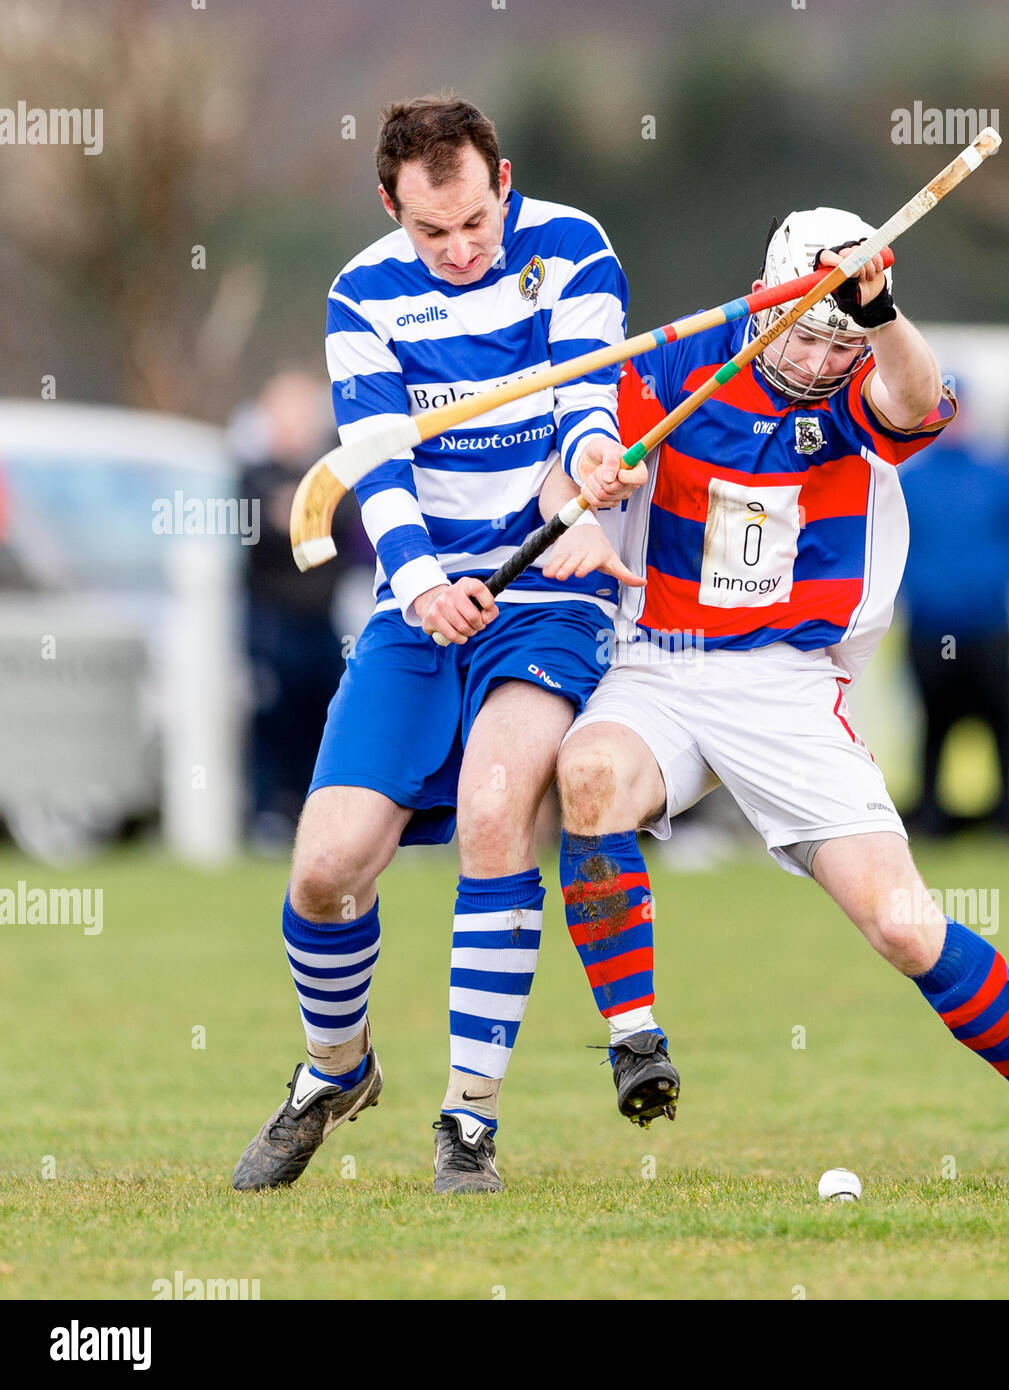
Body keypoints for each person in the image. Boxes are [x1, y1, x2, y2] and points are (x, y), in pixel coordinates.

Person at [555, 209, 1009, 1180]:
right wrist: (588, 475)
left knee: (903, 925)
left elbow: (917, 398)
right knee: (589, 774)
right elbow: (589, 434)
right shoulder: (677, 359)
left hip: (785, 683)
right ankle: (636, 1039)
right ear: (769, 297)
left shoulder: (867, 378)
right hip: (659, 657)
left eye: (840, 340)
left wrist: (881, 314)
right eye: (807, 334)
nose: (822, 359)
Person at [232, 94, 642, 1196]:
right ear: (390, 207)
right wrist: (417, 585)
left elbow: (586, 405)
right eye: (432, 234)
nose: (460, 253)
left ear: (501, 180)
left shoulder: (571, 248)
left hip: (550, 595)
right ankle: (335, 1070)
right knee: (325, 869)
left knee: (496, 809)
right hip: (419, 607)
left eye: (474, 224)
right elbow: (377, 461)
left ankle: (468, 1118)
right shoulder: (362, 293)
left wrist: (591, 469)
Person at [235, 369, 367, 850]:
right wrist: (302, 511)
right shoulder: (252, 472)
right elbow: (260, 533)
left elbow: (346, 525)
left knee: (325, 717)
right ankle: (268, 813)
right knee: (270, 717)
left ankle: (319, 812)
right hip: (269, 627)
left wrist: (296, 507)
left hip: (322, 624)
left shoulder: (333, 471)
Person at [898, 392, 1009, 835]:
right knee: (933, 721)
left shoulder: (1001, 473)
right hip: (929, 623)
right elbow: (891, 541)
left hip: (989, 624)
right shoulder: (910, 477)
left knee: (1000, 718)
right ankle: (931, 815)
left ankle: (1007, 815)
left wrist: (997, 578)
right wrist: (917, 586)